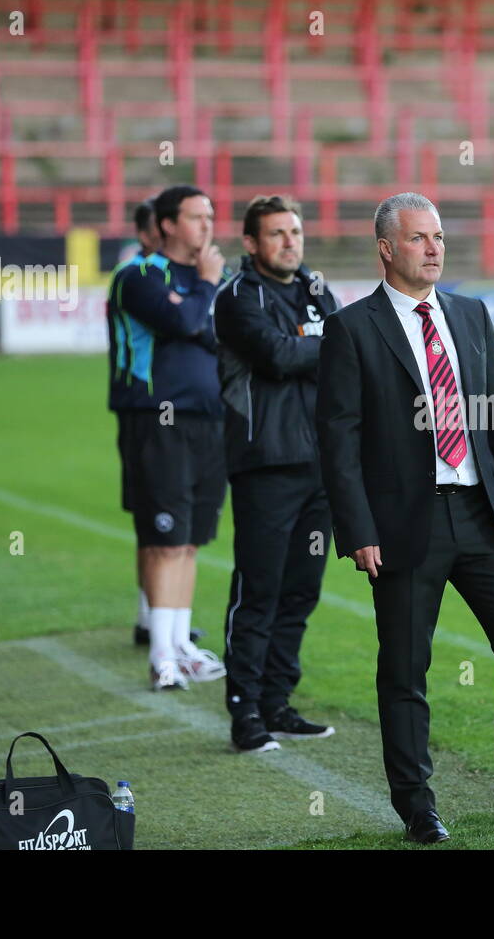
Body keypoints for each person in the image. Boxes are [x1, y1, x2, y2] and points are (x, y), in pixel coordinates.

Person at [315, 192, 494, 844]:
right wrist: (358, 531)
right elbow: (338, 441)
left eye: (438, 236)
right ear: (386, 248)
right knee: (406, 668)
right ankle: (417, 805)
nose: (434, 248)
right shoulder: (353, 329)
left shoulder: (471, 314)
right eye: (418, 238)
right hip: (403, 527)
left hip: (481, 515)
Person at [214, 194, 339, 753]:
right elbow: (276, 357)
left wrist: (311, 344)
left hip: (324, 465)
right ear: (251, 243)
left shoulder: (317, 290)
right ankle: (244, 712)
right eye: (276, 234)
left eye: (295, 231)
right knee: (258, 592)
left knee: (300, 593)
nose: (290, 242)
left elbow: (346, 352)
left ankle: (277, 702)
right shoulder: (237, 296)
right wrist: (318, 344)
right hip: (265, 463)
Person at [111, 184, 229, 690]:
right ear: (166, 225)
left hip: (209, 419)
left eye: (210, 216)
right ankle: (160, 654)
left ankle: (181, 645)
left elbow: (212, 334)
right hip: (157, 421)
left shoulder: (207, 283)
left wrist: (198, 299)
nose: (207, 225)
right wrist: (202, 289)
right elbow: (183, 322)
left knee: (189, 540)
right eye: (196, 217)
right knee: (164, 538)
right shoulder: (138, 275)